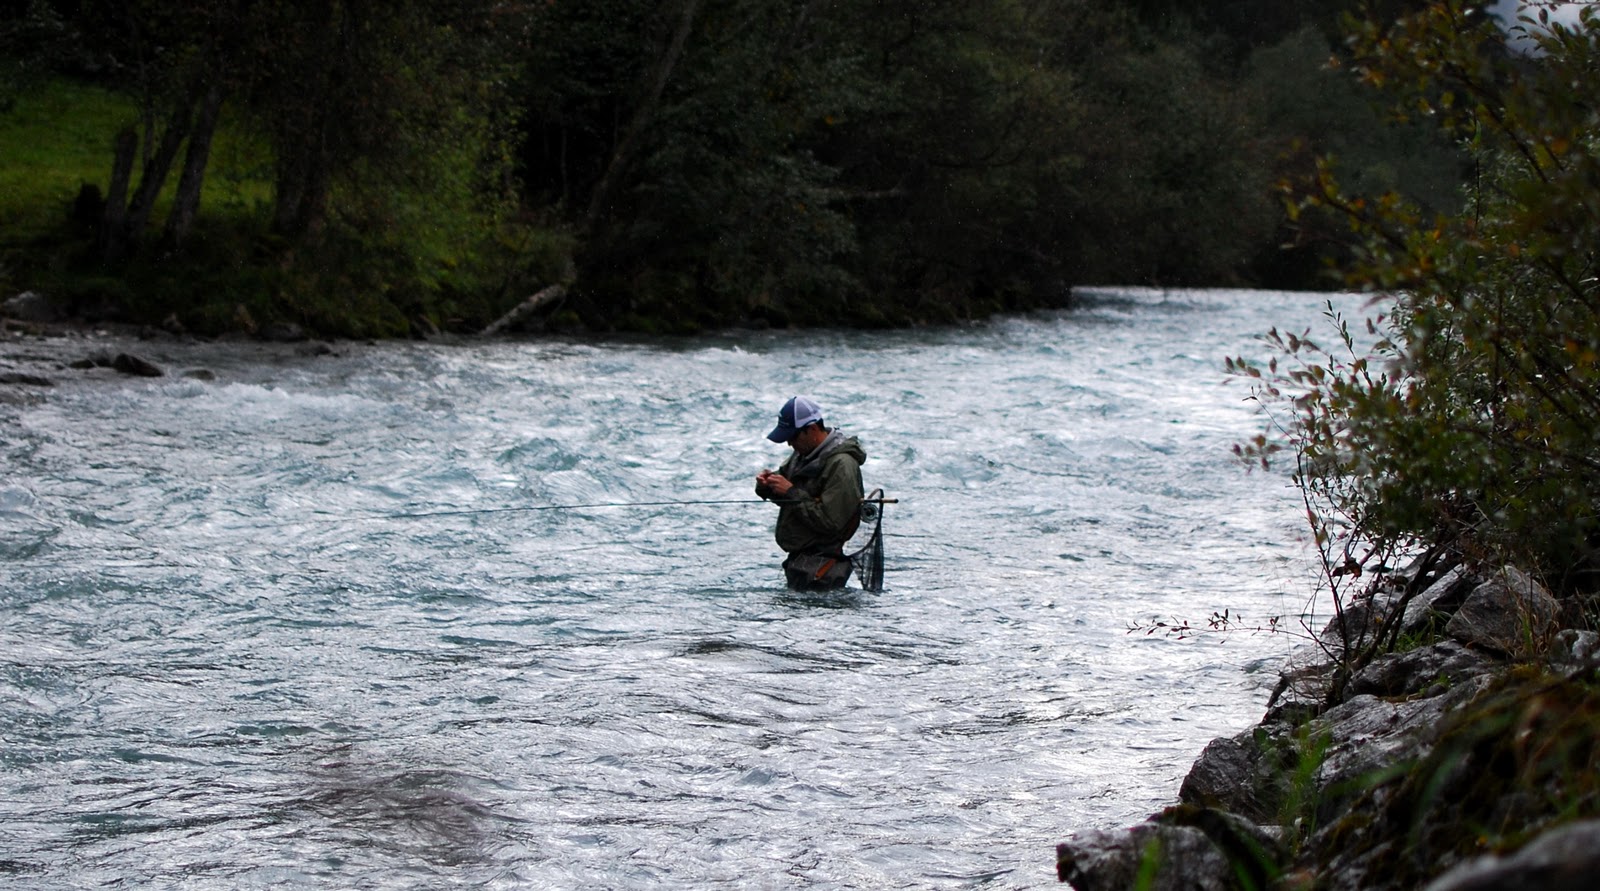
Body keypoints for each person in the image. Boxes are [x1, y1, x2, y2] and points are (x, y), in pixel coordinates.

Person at [755, 396, 867, 589]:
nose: (789, 444)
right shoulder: (804, 454)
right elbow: (788, 487)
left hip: (824, 569)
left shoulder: (842, 465)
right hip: (803, 564)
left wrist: (790, 492)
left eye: (793, 437)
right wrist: (767, 486)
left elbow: (831, 522)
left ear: (813, 429)